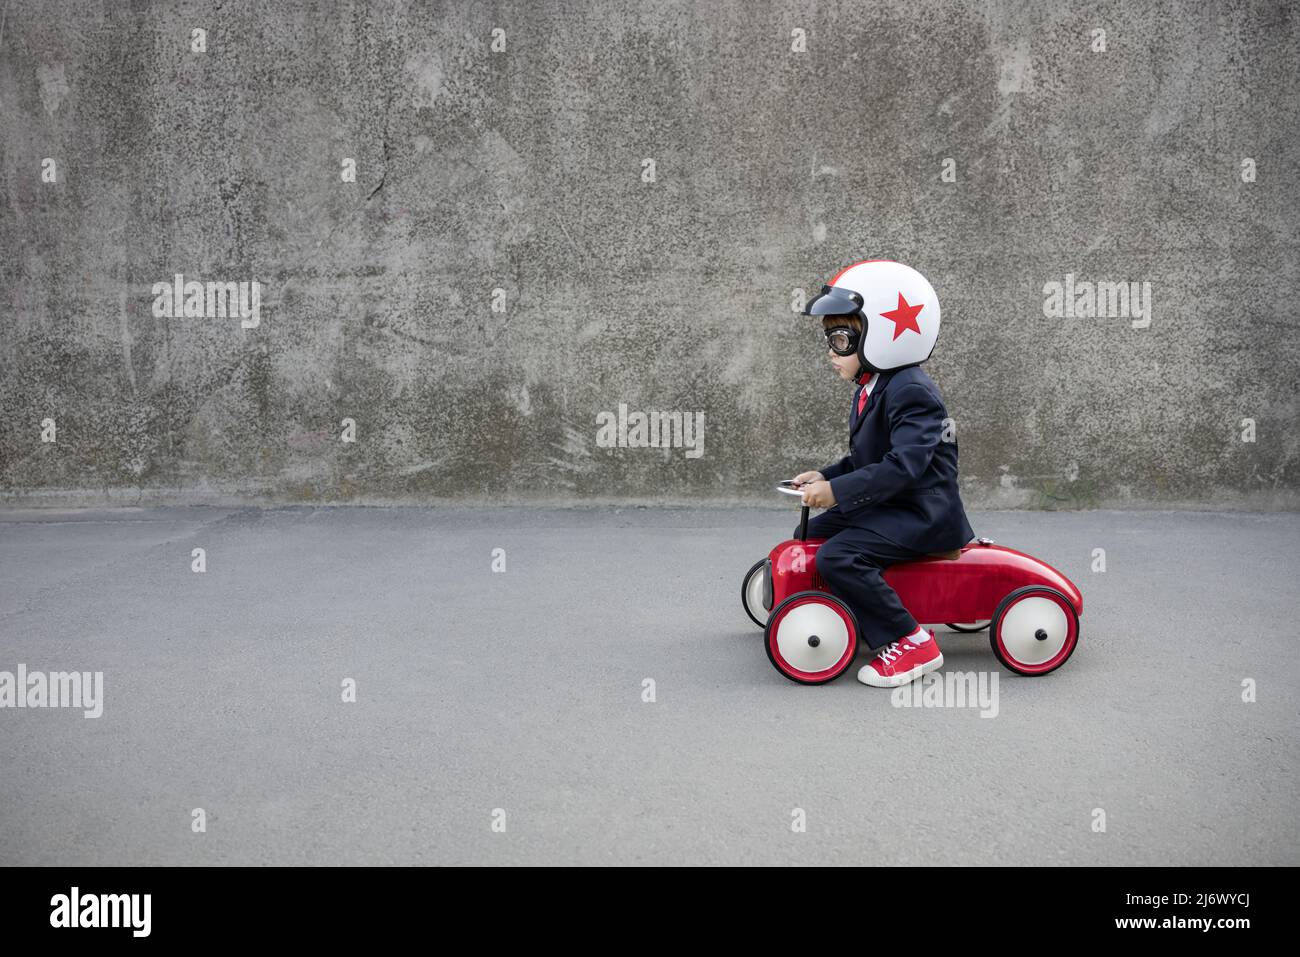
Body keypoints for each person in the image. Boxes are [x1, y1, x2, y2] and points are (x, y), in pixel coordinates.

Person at [790, 260, 975, 687]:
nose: (831, 352)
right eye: (830, 340)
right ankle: (849, 610)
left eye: (840, 340)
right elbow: (867, 459)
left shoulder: (911, 391)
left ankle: (912, 641)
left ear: (883, 338)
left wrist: (837, 491)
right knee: (813, 532)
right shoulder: (875, 386)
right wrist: (824, 476)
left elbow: (903, 467)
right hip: (893, 503)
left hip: (922, 514)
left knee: (839, 555)